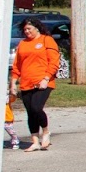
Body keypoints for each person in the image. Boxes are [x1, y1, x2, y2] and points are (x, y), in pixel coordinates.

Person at [10, 16, 60, 151]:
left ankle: (45, 131)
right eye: (24, 29)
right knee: (30, 112)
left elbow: (54, 61)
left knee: (36, 108)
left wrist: (46, 78)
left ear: (36, 28)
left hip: (43, 81)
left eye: (29, 28)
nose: (26, 31)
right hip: (26, 82)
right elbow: (17, 65)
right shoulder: (23, 43)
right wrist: (13, 83)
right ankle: (35, 141)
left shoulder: (46, 40)